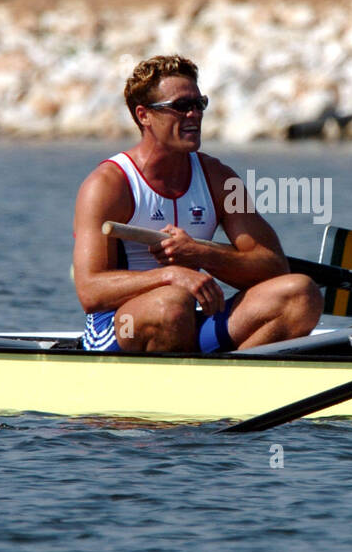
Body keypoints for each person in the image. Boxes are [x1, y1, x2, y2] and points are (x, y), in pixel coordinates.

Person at [72, 54, 321, 352]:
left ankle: (230, 383)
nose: (194, 115)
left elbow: (272, 266)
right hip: (117, 327)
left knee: (301, 294)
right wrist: (171, 274)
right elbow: (90, 291)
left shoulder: (218, 178)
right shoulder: (107, 185)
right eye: (180, 107)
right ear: (144, 115)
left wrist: (200, 254)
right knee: (171, 301)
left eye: (198, 104)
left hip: (184, 316)